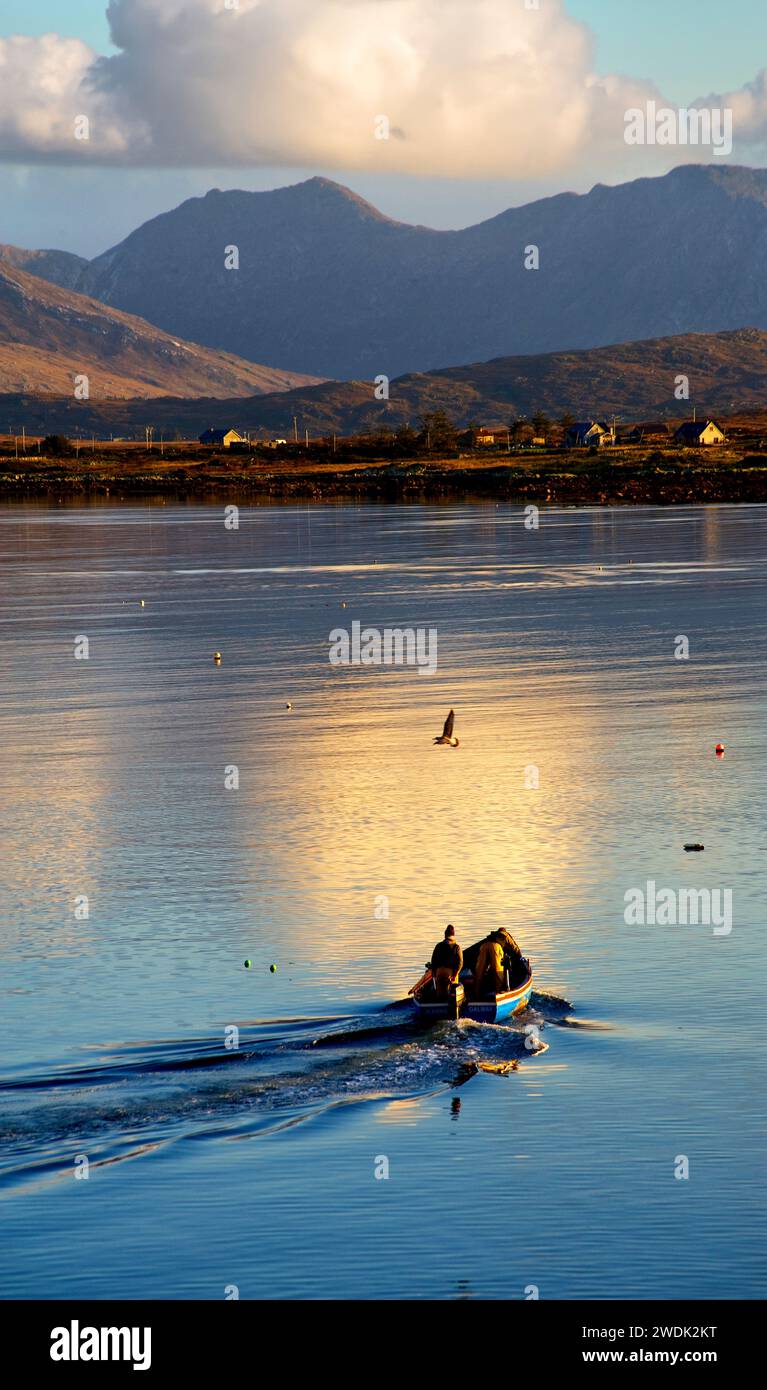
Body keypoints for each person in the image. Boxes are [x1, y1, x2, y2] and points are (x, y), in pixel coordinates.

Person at [430, 925, 463, 999]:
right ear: (453, 935)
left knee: (440, 993)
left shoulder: (438, 946)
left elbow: (433, 960)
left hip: (439, 972)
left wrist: (434, 973)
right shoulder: (457, 947)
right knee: (451, 992)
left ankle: (439, 1004)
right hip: (450, 973)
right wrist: (455, 973)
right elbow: (460, 962)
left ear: (445, 936)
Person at [473, 931, 506, 998]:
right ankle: (498, 992)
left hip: (484, 945)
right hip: (496, 947)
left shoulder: (493, 936)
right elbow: (514, 947)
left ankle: (476, 993)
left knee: (479, 970)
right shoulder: (506, 936)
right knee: (498, 971)